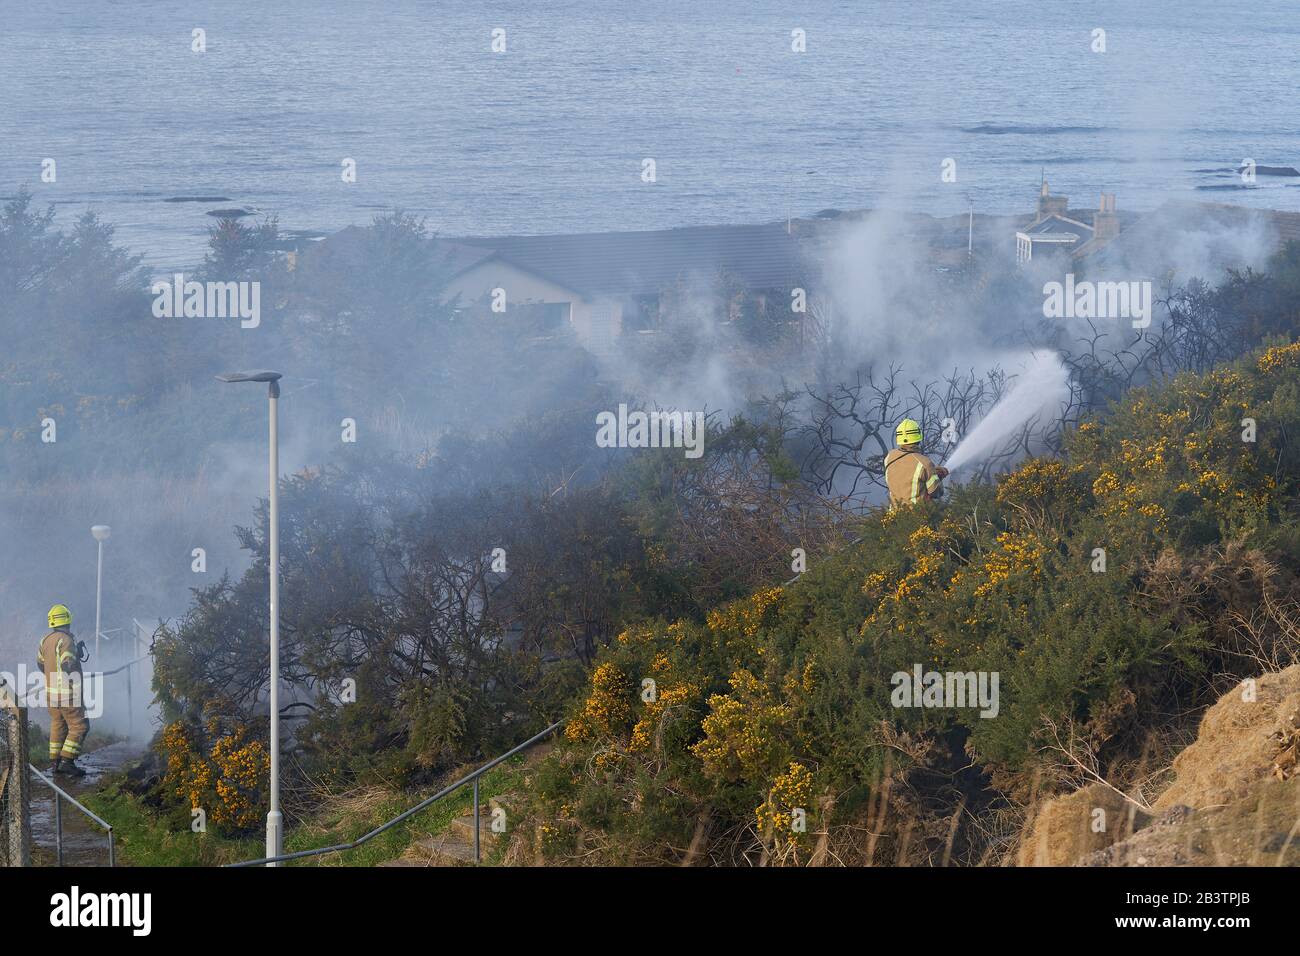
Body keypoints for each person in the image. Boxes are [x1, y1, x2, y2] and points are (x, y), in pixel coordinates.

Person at [37, 604, 89, 777]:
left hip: (51, 695)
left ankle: (55, 762)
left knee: (58, 725)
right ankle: (67, 761)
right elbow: (68, 664)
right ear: (68, 619)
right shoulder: (66, 640)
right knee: (80, 726)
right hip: (68, 694)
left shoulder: (45, 640)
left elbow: (40, 664)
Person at [884, 418, 949, 508]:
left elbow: (905, 475)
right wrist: (937, 477)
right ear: (918, 436)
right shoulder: (925, 463)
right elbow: (936, 492)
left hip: (895, 516)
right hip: (918, 516)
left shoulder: (889, 457)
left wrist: (932, 472)